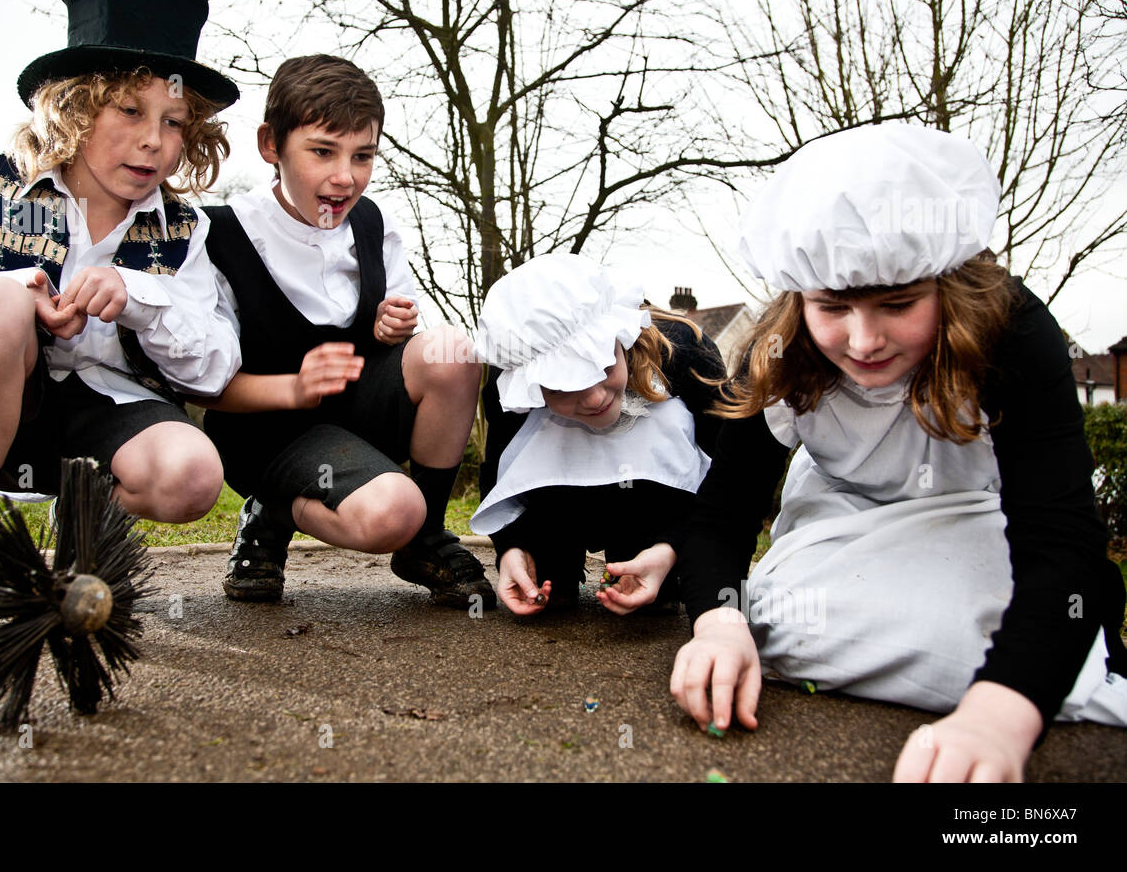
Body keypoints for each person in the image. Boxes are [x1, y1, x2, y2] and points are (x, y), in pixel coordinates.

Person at [668, 123, 1127, 781]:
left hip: (979, 524)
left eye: (898, 304)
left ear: (948, 282)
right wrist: (717, 623)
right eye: (833, 307)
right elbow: (720, 518)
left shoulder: (1014, 330)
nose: (864, 340)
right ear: (800, 298)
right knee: (774, 624)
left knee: (1041, 645)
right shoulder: (776, 353)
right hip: (838, 534)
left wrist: (999, 715)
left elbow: (1059, 537)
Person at [0, 0, 242, 657]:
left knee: (194, 473)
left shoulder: (183, 229)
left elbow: (216, 367)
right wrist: (8, 296)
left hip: (107, 412)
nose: (153, 141)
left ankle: (85, 540)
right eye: (131, 113)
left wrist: (138, 300)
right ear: (77, 107)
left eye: (173, 122)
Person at [201, 54, 493, 609]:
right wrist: (292, 386)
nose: (346, 176)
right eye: (322, 151)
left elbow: (398, 332)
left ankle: (425, 540)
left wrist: (392, 330)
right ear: (271, 145)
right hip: (265, 433)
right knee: (390, 513)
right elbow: (195, 384)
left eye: (363, 156)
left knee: (453, 349)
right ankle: (270, 509)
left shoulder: (372, 223)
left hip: (353, 415)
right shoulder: (219, 236)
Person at [471, 254, 726, 614]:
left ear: (618, 335)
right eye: (563, 386)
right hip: (558, 506)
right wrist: (513, 548)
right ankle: (551, 554)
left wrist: (673, 545)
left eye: (603, 366)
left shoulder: (685, 349)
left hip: (655, 506)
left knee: (652, 601)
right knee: (548, 590)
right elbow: (500, 471)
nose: (594, 397)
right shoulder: (505, 385)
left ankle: (652, 552)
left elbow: (726, 473)